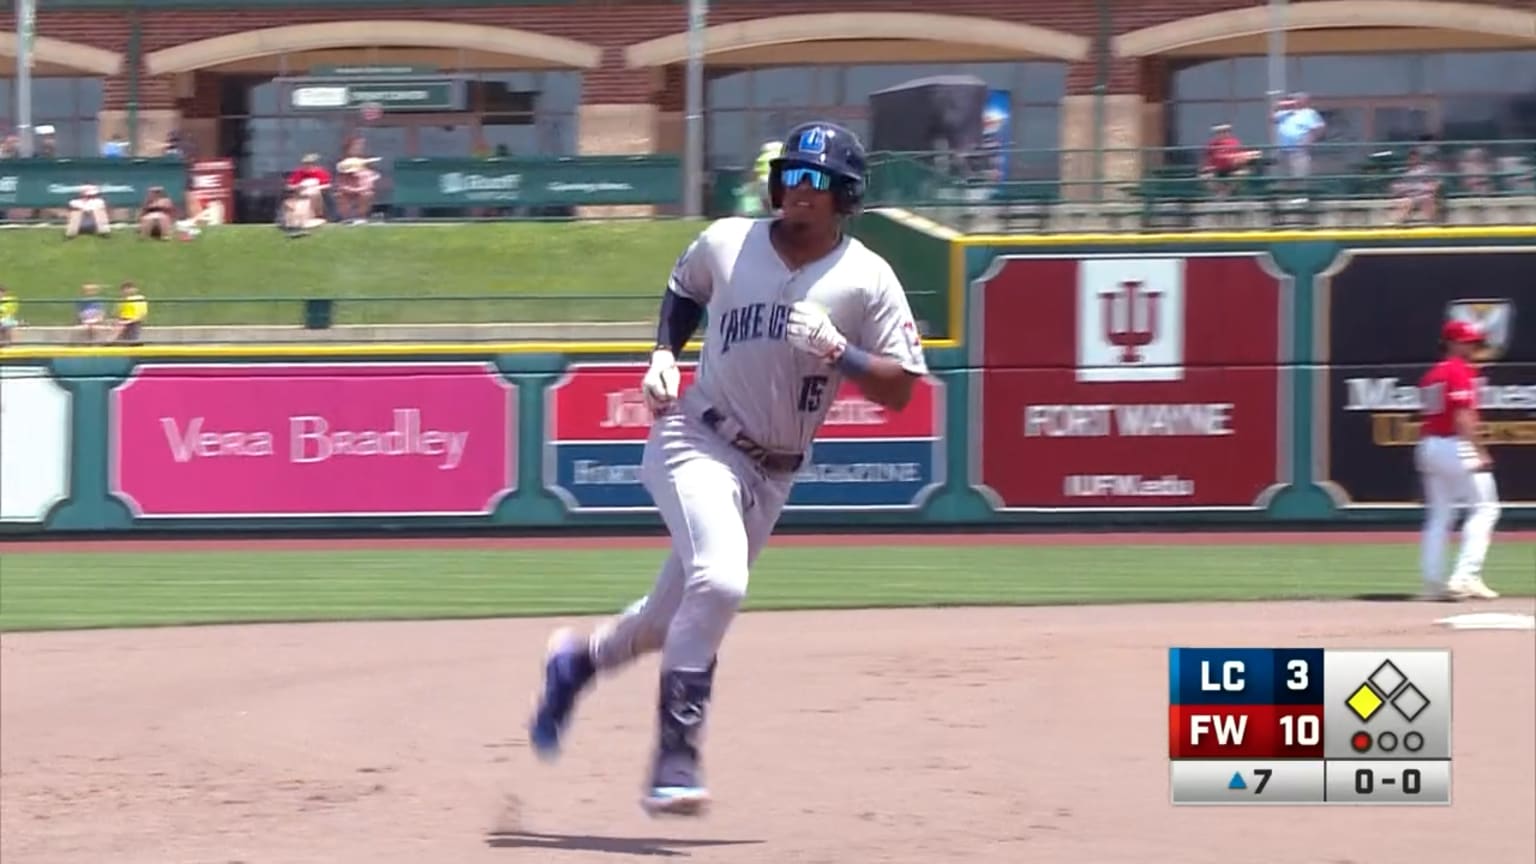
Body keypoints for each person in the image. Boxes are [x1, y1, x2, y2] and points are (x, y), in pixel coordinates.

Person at [526, 121, 928, 817]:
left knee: (666, 622)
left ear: (845, 194)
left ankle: (576, 663)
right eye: (791, 175)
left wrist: (842, 354)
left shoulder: (868, 279)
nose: (800, 188)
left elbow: (900, 389)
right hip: (697, 436)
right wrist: (663, 354)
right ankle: (675, 758)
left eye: (818, 179)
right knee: (720, 580)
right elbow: (684, 287)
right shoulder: (729, 241)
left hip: (773, 474)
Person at [1415, 318, 1500, 601]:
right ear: (1451, 343)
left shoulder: (1432, 374)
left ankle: (1433, 584)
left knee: (1440, 515)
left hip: (1429, 444)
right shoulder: (1458, 370)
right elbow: (1463, 416)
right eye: (1467, 342)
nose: (1473, 347)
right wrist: (1480, 450)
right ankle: (1465, 576)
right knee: (1486, 508)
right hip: (1454, 444)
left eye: (1474, 342)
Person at [1273, 93, 1325, 179]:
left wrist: (1309, 141)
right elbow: (1272, 119)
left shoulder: (1309, 113)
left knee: (1299, 177)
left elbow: (1319, 128)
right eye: (1294, 99)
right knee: (1283, 178)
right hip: (1283, 151)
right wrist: (1278, 106)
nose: (1295, 101)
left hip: (1299, 152)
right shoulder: (1283, 113)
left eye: (1298, 99)